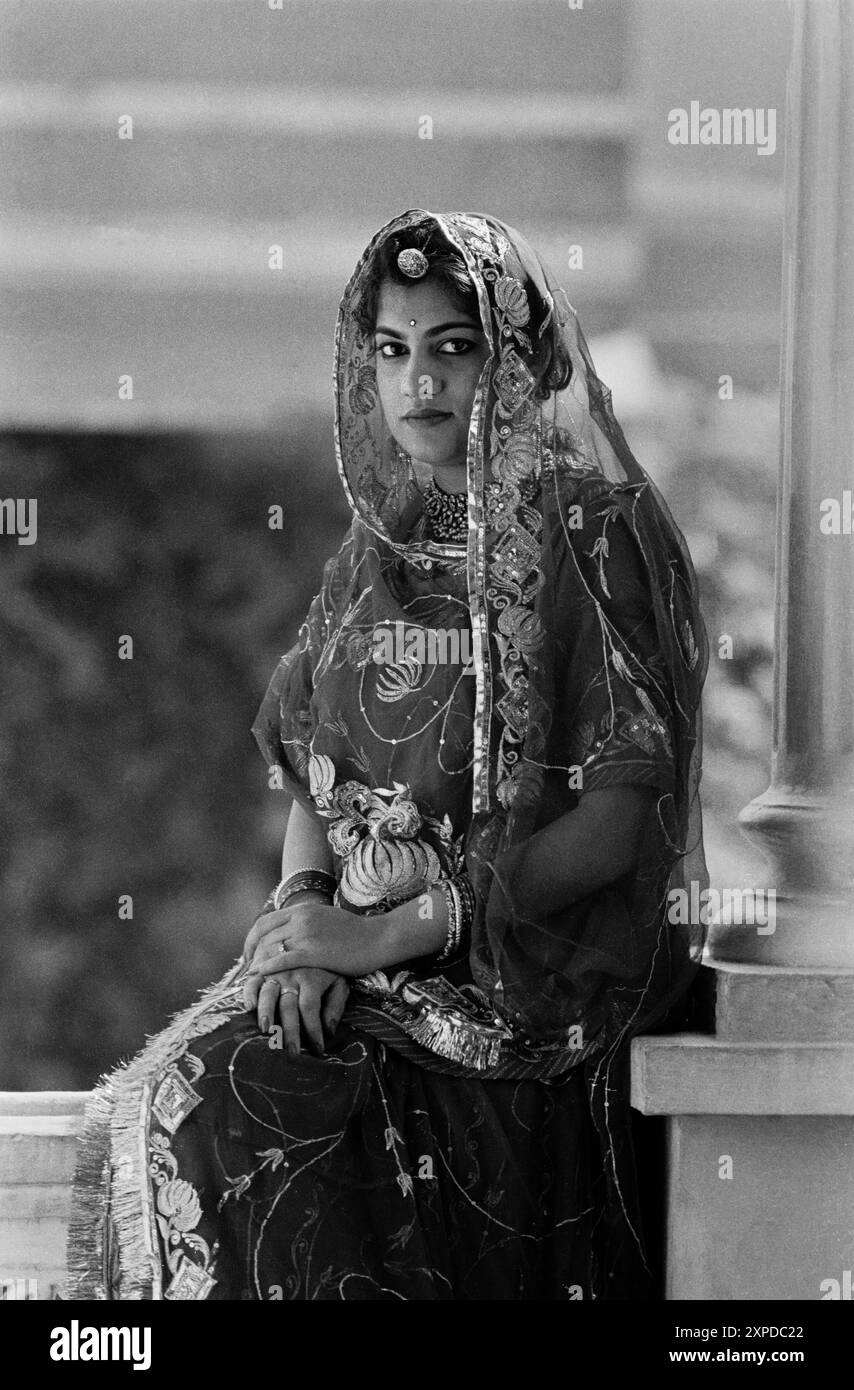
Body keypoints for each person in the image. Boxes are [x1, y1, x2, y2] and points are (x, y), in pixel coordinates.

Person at [66, 210, 708, 1301]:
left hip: (520, 982)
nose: (420, 382)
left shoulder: (593, 539)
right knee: (167, 1092)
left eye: (453, 347)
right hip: (370, 956)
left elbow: (616, 824)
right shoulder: (380, 546)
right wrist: (306, 925)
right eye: (392, 349)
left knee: (239, 1102)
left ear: (519, 357)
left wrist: (383, 940)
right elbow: (315, 780)